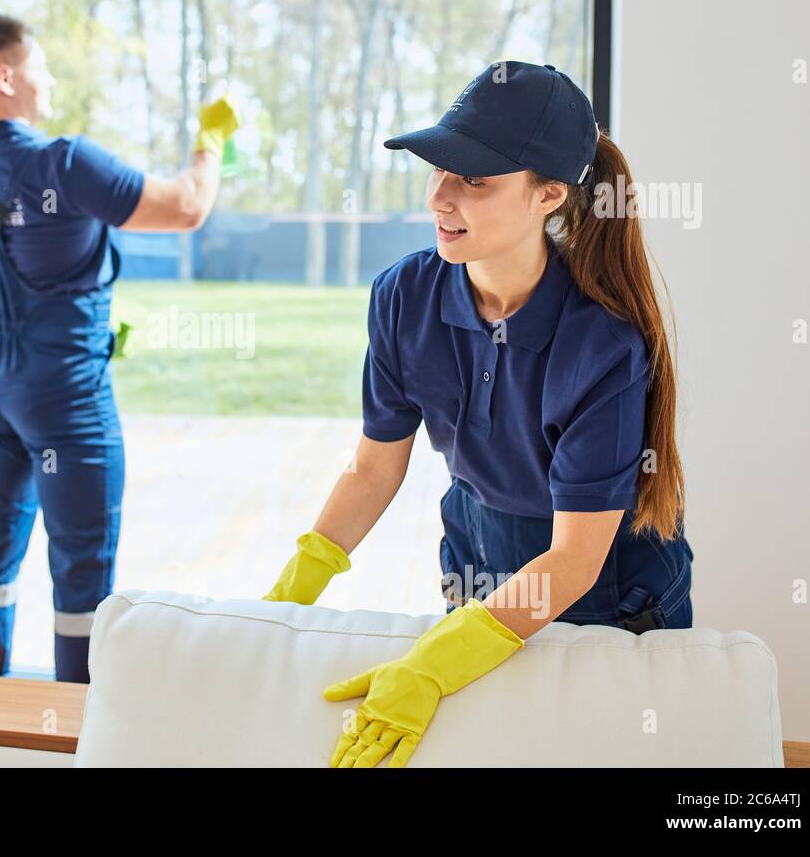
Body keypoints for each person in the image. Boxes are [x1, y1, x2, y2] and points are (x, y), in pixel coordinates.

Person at [263, 60, 692, 767]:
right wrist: (296, 585)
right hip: (480, 572)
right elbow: (375, 468)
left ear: (549, 194)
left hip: (610, 598)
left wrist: (435, 665)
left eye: (475, 180)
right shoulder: (405, 296)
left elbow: (575, 560)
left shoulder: (602, 347)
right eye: (439, 171)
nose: (440, 198)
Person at [0, 14, 239, 683]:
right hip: (64, 392)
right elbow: (185, 207)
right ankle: (78, 728)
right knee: (80, 564)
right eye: (40, 66)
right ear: (6, 77)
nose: (51, 79)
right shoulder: (62, 164)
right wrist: (211, 141)